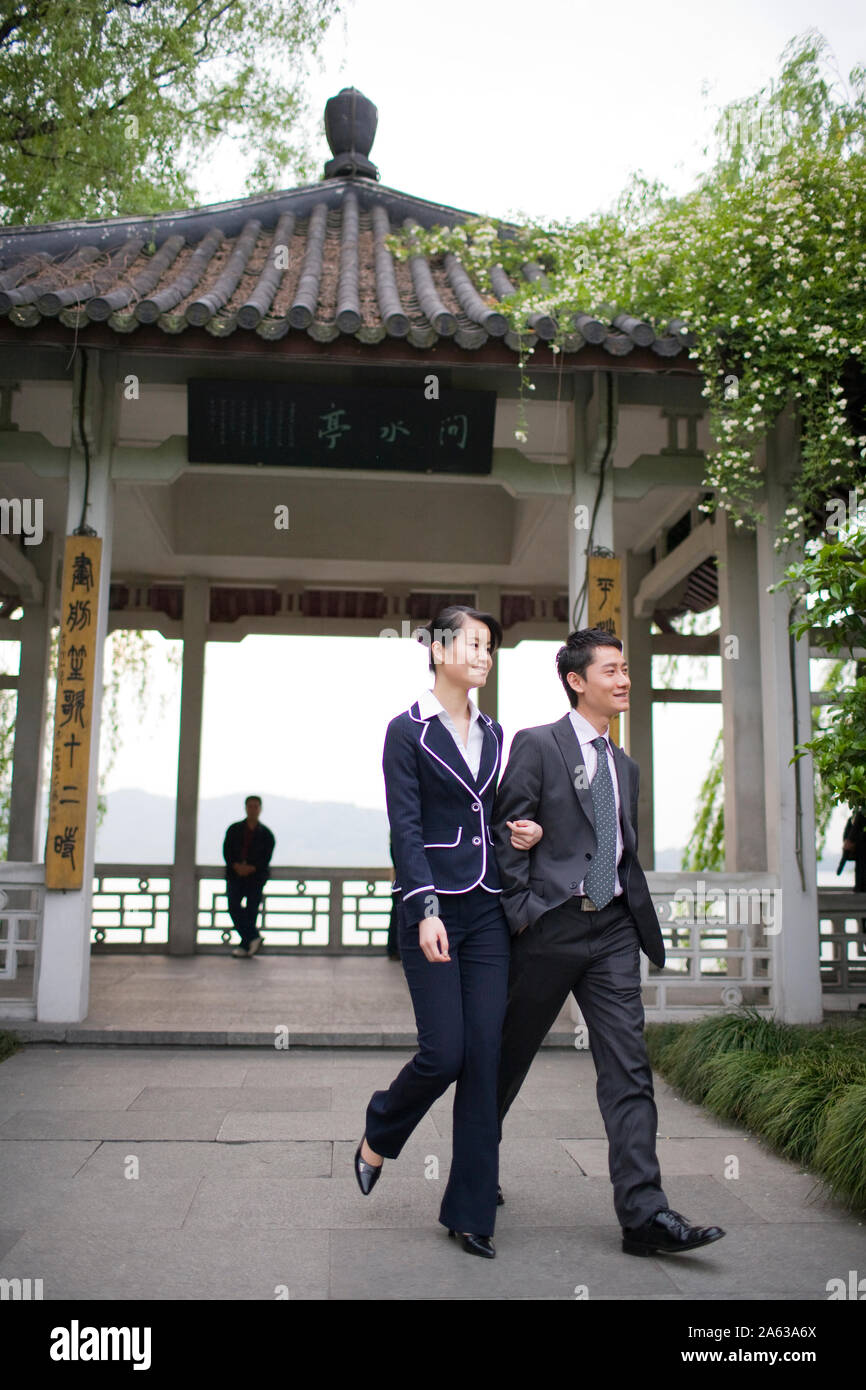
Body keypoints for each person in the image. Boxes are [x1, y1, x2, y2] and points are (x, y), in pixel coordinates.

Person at [492, 627, 725, 1257]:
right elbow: (505, 828)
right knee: (507, 1058)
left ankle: (644, 1215)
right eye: (612, 670)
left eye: (626, 669)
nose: (624, 680)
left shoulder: (626, 766)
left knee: (628, 1068)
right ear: (577, 680)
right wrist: (521, 911)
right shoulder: (536, 745)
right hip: (550, 926)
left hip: (614, 929)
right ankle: (473, 1173)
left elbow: (621, 848)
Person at [354, 605, 542, 1258]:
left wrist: (522, 830)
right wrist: (424, 906)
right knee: (446, 1053)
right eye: (474, 643)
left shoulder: (496, 733)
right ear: (437, 650)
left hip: (488, 909)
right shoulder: (404, 733)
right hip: (432, 911)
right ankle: (382, 1126)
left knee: (485, 1057)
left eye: (491, 646)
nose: (485, 655)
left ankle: (469, 1211)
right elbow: (405, 827)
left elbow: (492, 812)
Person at [222, 795, 275, 958]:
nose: (253, 809)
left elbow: (266, 857)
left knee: (252, 910)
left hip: (255, 878)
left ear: (260, 809)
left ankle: (245, 946)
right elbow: (227, 851)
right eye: (250, 806)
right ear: (245, 808)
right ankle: (253, 937)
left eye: (255, 806)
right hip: (235, 876)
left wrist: (252, 868)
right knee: (233, 906)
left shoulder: (266, 834)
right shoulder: (234, 829)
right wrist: (236, 866)